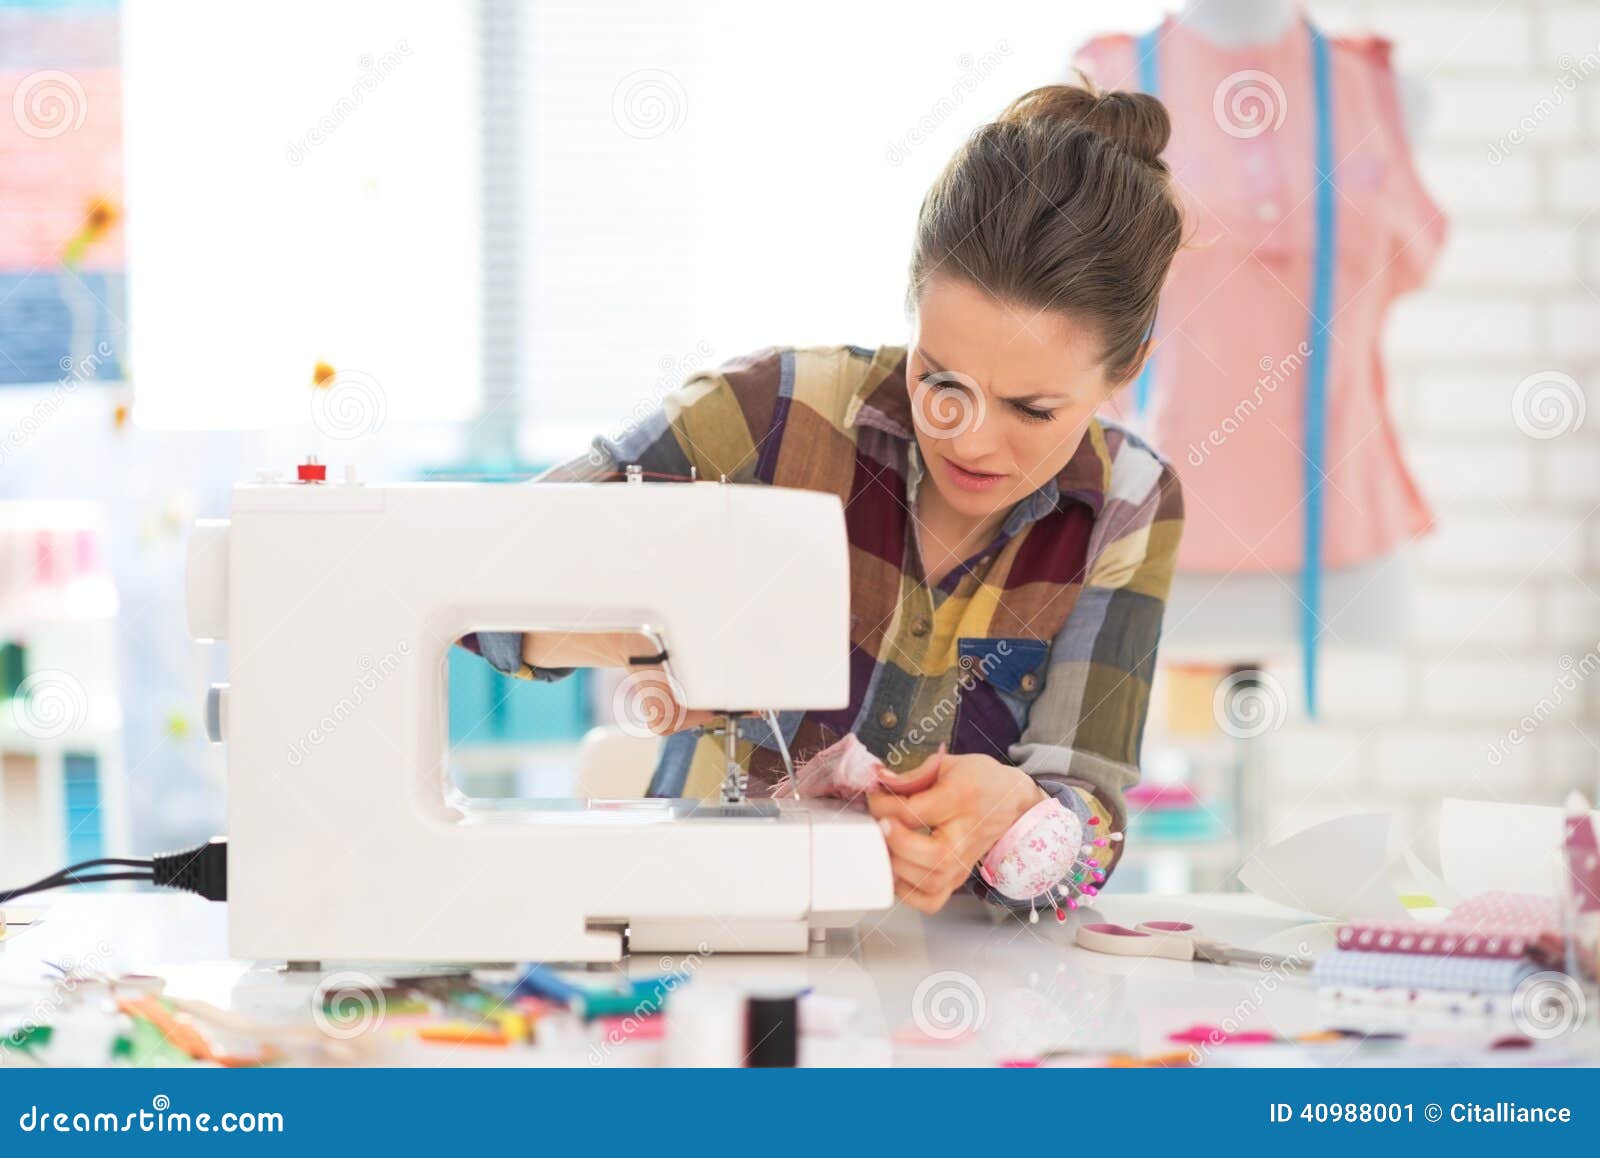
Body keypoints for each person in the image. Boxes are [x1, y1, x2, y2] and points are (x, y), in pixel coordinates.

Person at [464, 79, 1185, 917]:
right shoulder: (768, 416)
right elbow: (473, 574)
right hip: (704, 925)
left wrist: (1024, 819)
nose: (969, 438)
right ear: (913, 303)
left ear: (1129, 366)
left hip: (951, 964)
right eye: (939, 379)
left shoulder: (1129, 503)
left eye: (1031, 409)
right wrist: (653, 644)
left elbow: (1090, 835)